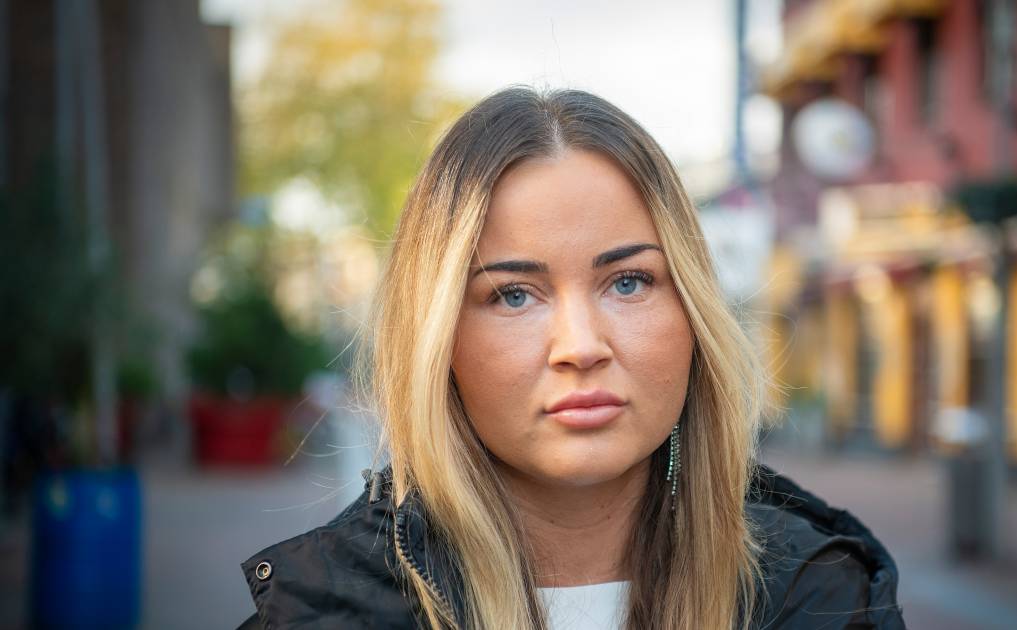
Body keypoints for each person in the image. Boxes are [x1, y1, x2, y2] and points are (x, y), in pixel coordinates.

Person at [236, 87, 905, 629]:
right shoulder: (325, 613)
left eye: (629, 282)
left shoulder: (822, 596)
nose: (581, 346)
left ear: (695, 314)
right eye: (514, 295)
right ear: (439, 342)